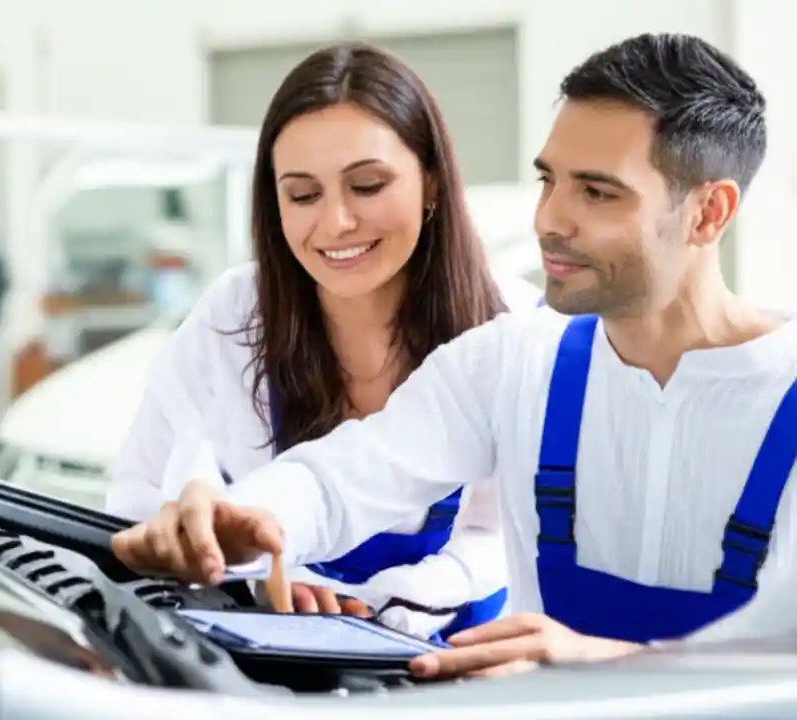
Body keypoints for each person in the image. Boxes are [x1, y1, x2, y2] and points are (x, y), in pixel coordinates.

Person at [111, 31, 797, 679]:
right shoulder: (514, 360)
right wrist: (248, 520)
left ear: (708, 213)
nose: (549, 221)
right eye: (547, 182)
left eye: (595, 191)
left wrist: (610, 663)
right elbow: (345, 477)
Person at [105, 42, 542, 641]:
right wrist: (253, 567)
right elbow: (139, 495)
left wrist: (433, 590)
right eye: (303, 195)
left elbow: (516, 532)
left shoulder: (510, 327)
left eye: (367, 185)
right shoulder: (236, 316)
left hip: (457, 663)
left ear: (432, 183)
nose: (336, 222)